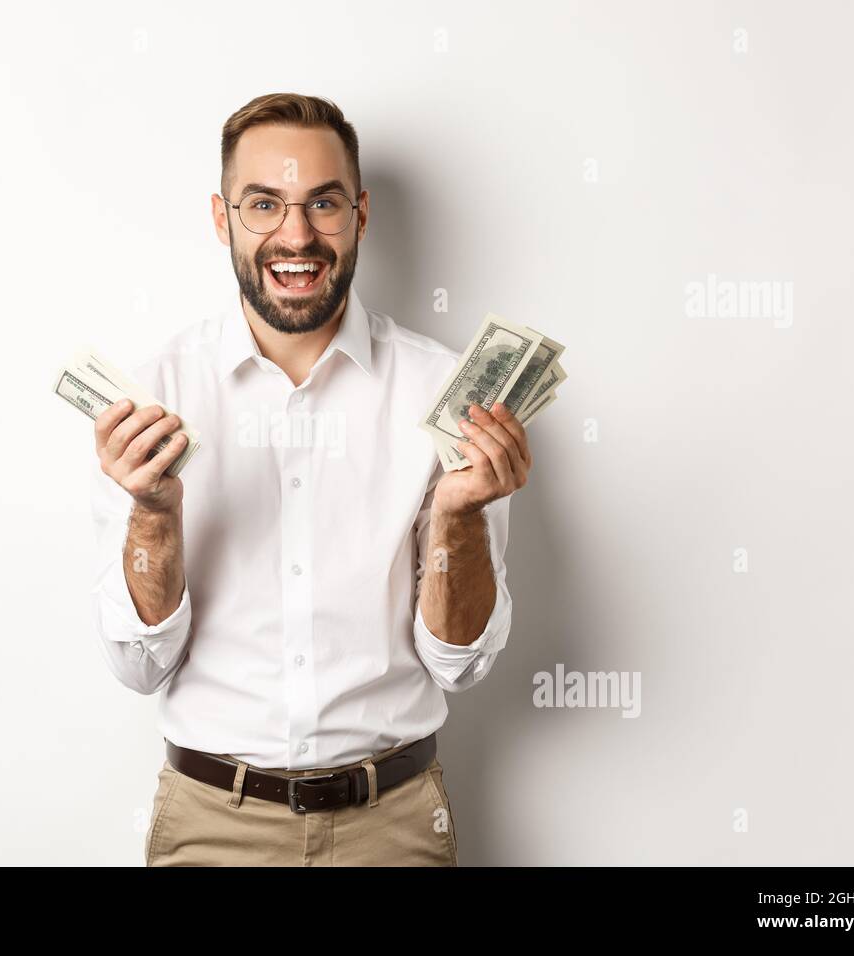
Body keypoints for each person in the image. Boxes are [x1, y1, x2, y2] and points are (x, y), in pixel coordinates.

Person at [88, 93, 531, 866]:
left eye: (322, 203)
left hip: (392, 827)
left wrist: (458, 516)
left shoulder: (442, 393)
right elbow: (139, 665)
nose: (296, 235)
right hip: (211, 827)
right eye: (265, 204)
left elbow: (458, 666)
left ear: (359, 214)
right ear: (224, 220)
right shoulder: (151, 404)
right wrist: (153, 513)